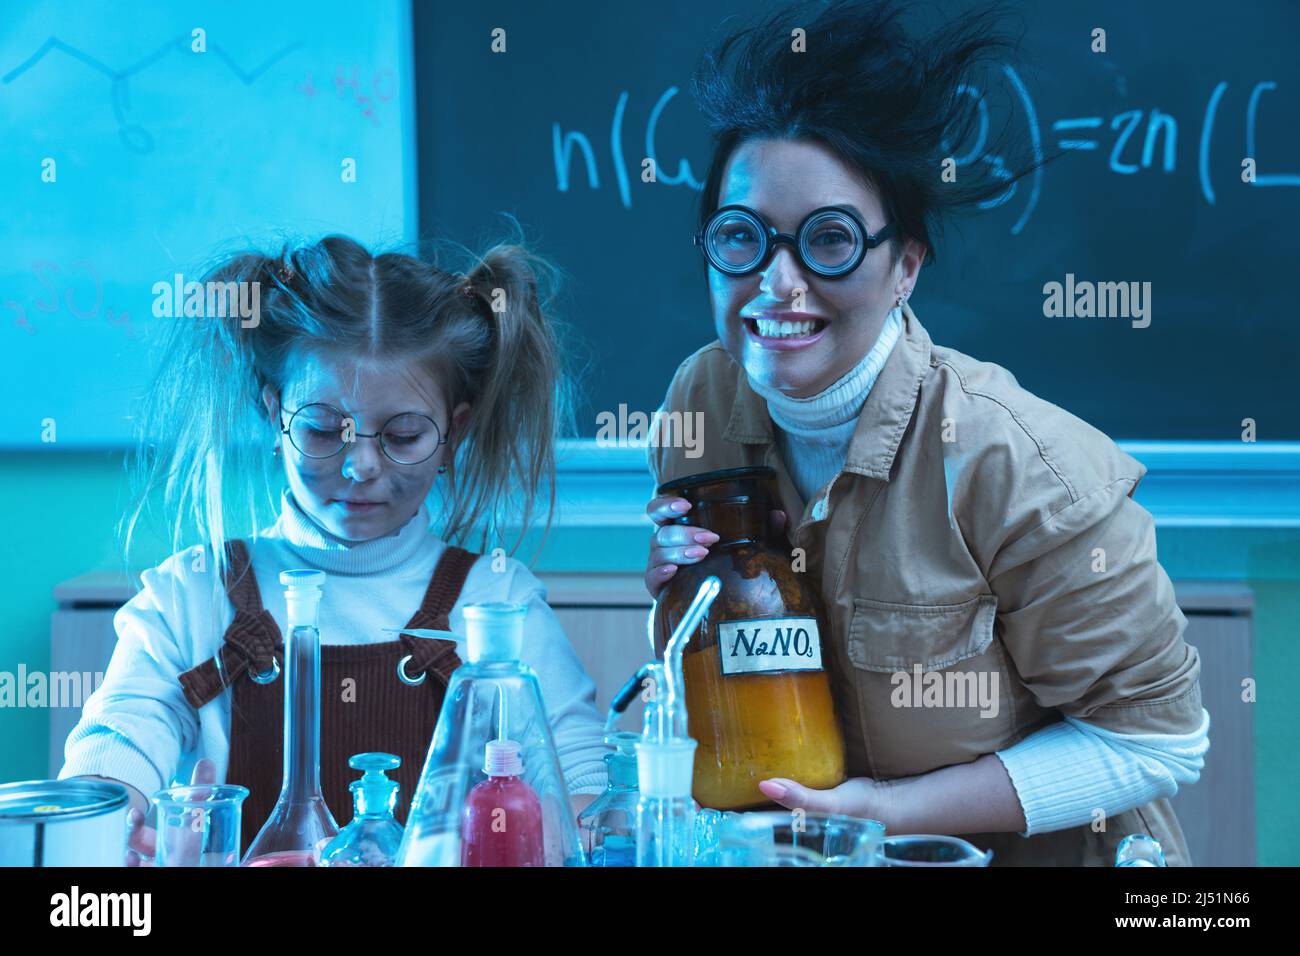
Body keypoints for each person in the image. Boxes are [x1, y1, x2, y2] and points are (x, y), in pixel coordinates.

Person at [644, 0, 1209, 865]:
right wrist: (684, 604)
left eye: (828, 240)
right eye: (740, 237)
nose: (777, 282)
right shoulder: (701, 397)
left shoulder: (1017, 464)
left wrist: (879, 810)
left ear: (905, 264)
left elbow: (1158, 742)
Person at [61, 234, 607, 863]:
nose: (362, 465)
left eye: (403, 435)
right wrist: (109, 814)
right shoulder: (188, 597)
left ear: (453, 432)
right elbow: (119, 740)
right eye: (323, 430)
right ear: (274, 414)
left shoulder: (497, 603)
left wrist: (588, 820)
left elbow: (583, 791)